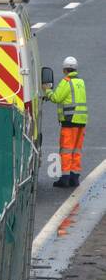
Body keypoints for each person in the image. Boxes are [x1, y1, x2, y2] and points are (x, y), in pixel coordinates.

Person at [43, 56, 87, 188]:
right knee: (76, 150)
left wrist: (47, 91)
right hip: (81, 121)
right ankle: (75, 177)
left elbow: (57, 98)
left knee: (66, 150)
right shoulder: (81, 82)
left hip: (70, 121)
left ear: (64, 69)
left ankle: (65, 178)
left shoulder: (66, 82)